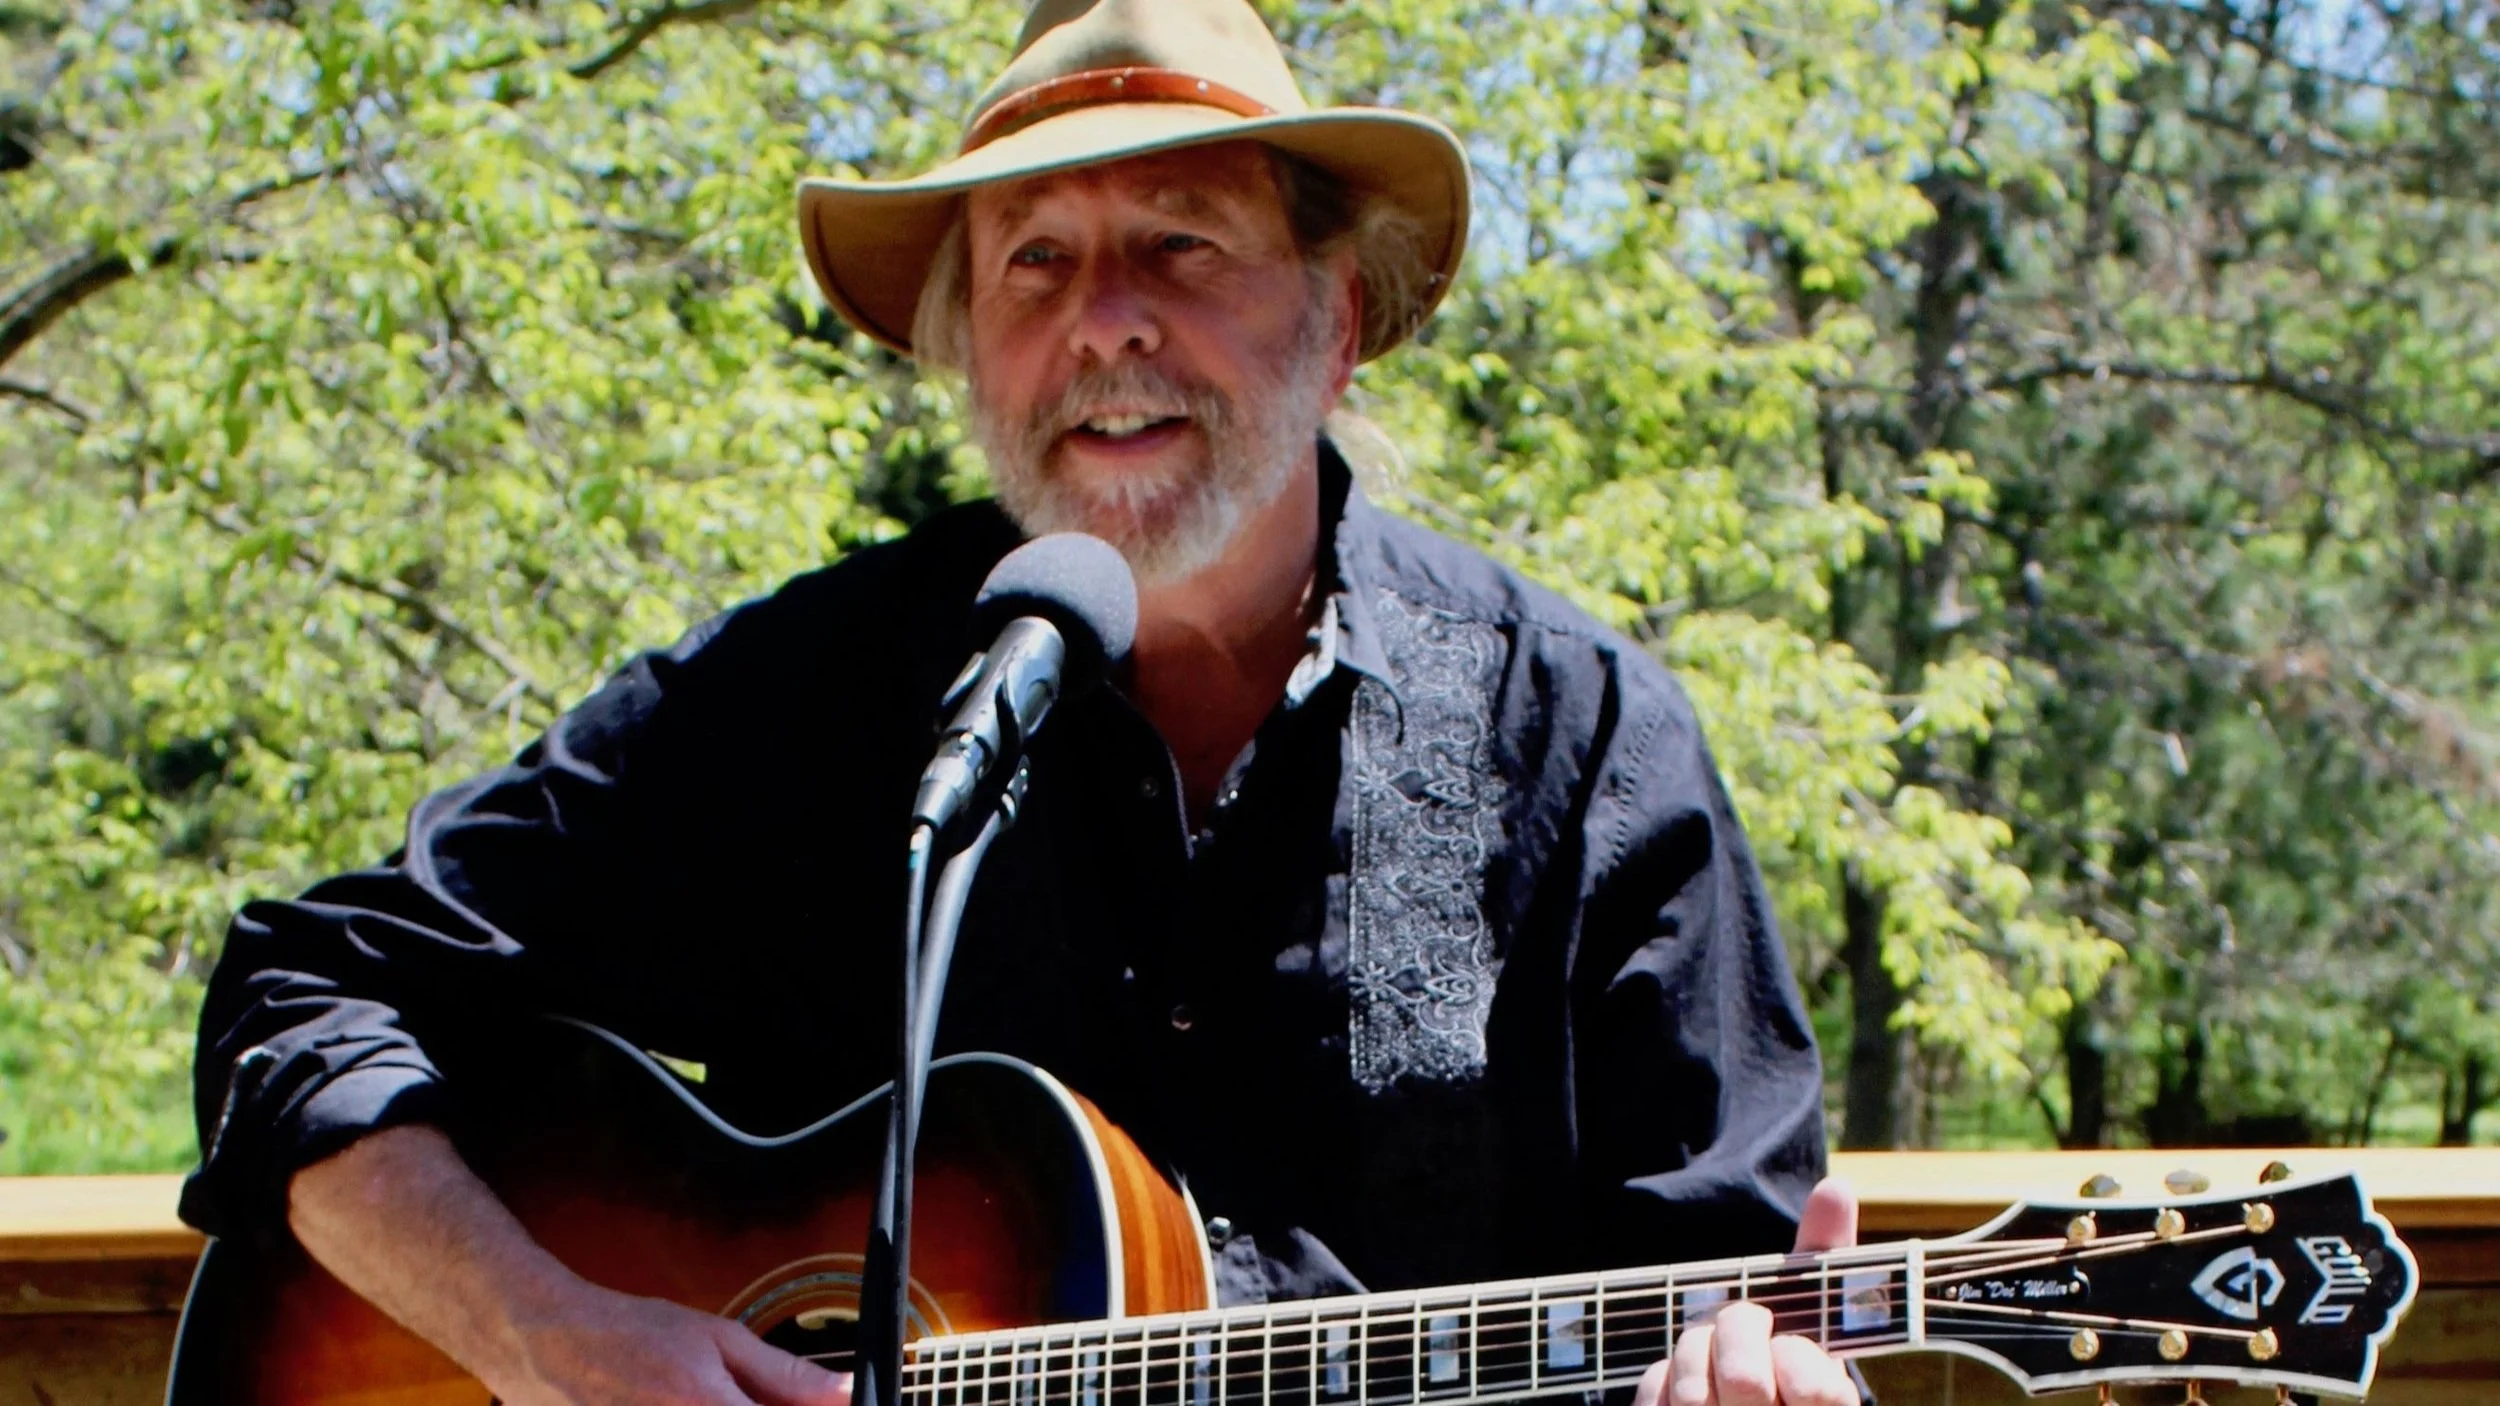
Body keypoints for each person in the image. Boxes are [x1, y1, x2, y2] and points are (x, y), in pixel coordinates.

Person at [182, 2, 1867, 1403]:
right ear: (973, 355)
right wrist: (547, 1334)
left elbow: (1720, 1286)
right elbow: (300, 988)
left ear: (1337, 319)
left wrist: (1761, 1376)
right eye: (1035, 264)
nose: (1102, 327)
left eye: (1179, 246)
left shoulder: (1573, 742)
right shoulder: (817, 697)